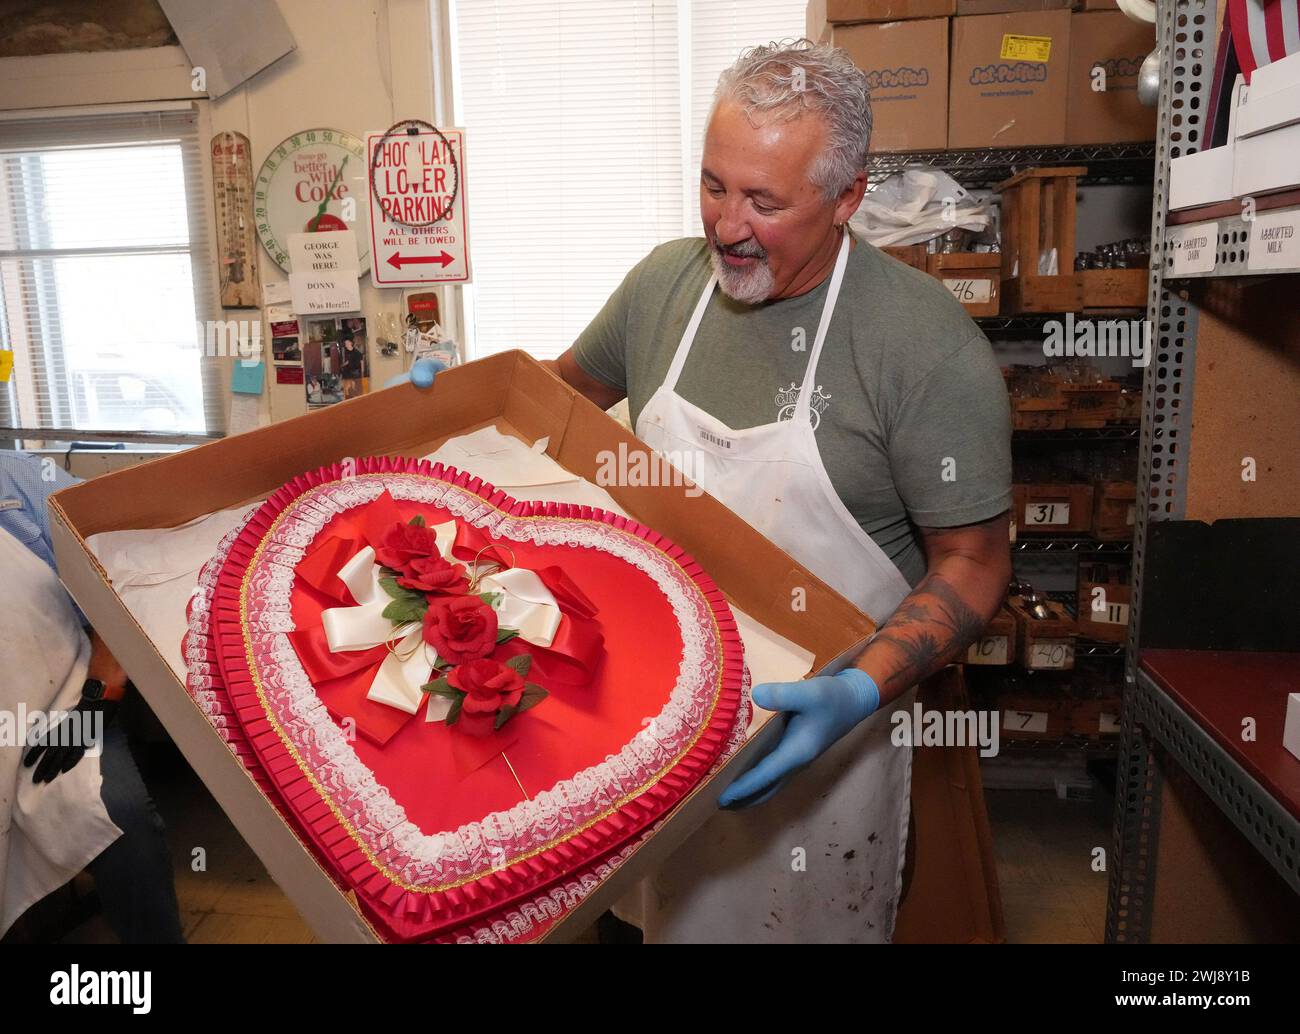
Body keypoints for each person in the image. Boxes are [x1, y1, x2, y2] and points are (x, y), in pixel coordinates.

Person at [389, 38, 1012, 943]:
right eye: (715, 184)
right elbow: (560, 405)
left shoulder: (924, 348)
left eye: (765, 200)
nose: (726, 225)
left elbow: (976, 561)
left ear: (848, 196)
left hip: (817, 749)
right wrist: (462, 399)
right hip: (649, 720)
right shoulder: (664, 287)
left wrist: (860, 692)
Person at [0, 451, 184, 943]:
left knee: (121, 817)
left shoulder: (22, 480)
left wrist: (96, 701)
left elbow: (116, 570)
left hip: (65, 703)